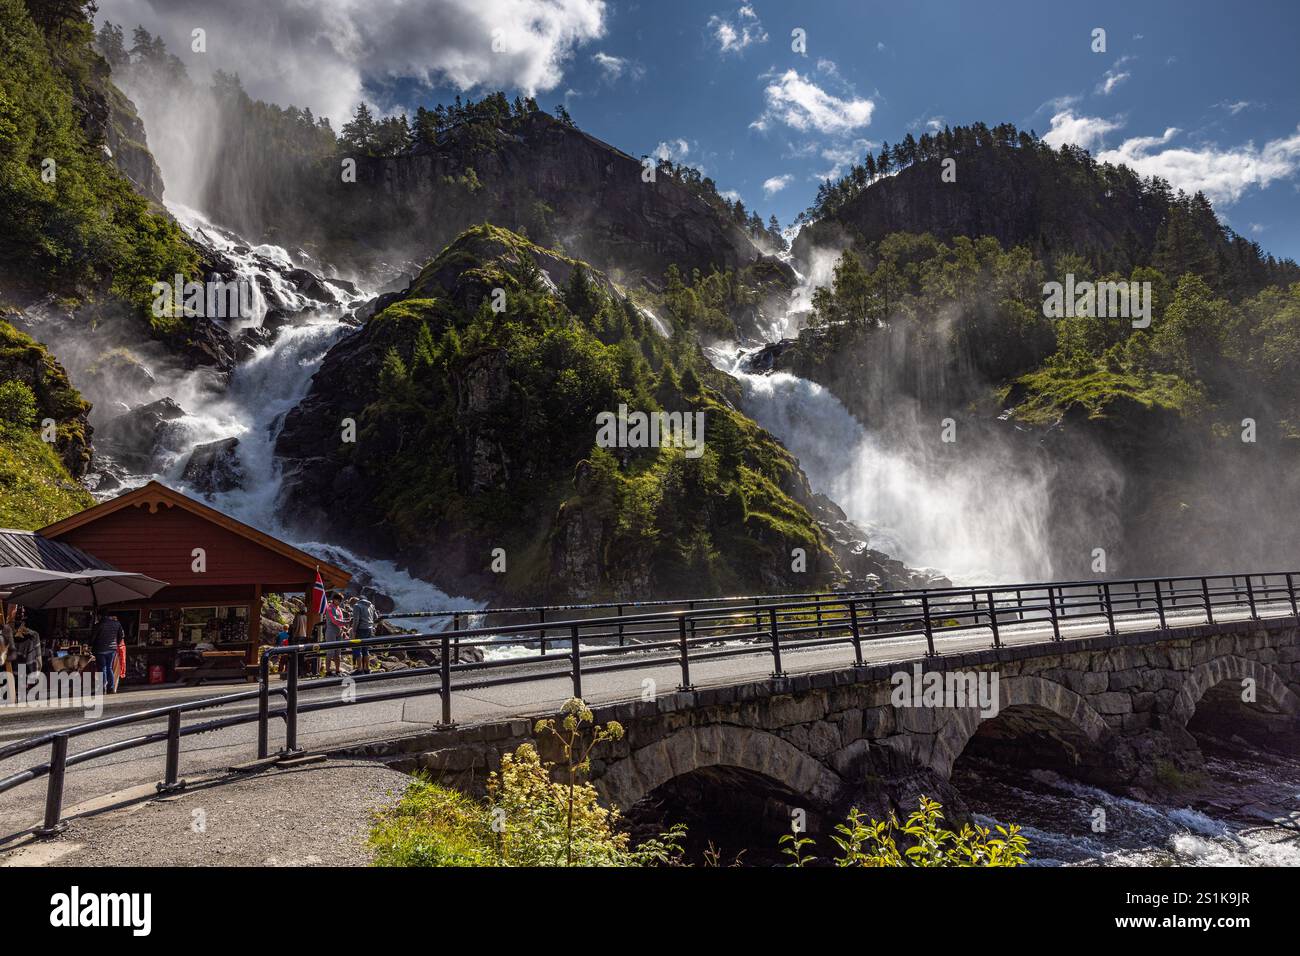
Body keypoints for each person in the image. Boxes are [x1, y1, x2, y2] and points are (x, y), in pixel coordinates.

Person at [90, 612, 125, 694]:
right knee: (109, 667)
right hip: (112, 649)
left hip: (100, 649)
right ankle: (111, 688)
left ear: (100, 615)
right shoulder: (117, 623)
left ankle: (103, 688)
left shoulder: (98, 625)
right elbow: (121, 636)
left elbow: (92, 638)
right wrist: (115, 644)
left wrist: (91, 645)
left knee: (102, 668)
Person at [322, 593, 351, 676]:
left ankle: (338, 670)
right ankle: (328, 671)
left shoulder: (338, 608)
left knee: (338, 652)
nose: (340, 602)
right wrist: (347, 622)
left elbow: (340, 620)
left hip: (339, 631)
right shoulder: (330, 608)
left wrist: (344, 628)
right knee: (330, 652)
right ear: (334, 599)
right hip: (331, 631)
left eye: (340, 601)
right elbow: (334, 621)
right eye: (338, 600)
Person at [351, 593, 377, 673]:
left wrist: (354, 630)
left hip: (360, 629)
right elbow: (376, 617)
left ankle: (359, 669)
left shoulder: (357, 606)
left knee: (357, 649)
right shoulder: (371, 605)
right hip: (369, 629)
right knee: (365, 649)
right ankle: (367, 668)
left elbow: (356, 620)